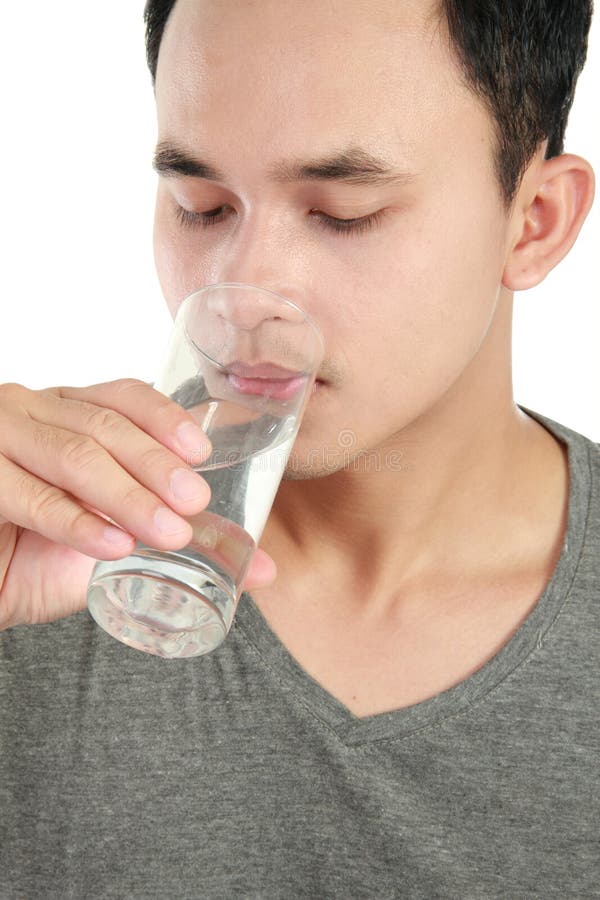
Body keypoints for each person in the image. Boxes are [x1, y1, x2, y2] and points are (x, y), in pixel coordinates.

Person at [1, 0, 598, 896]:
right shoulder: (33, 561)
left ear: (535, 220)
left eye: (344, 214)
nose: (245, 290)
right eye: (200, 206)